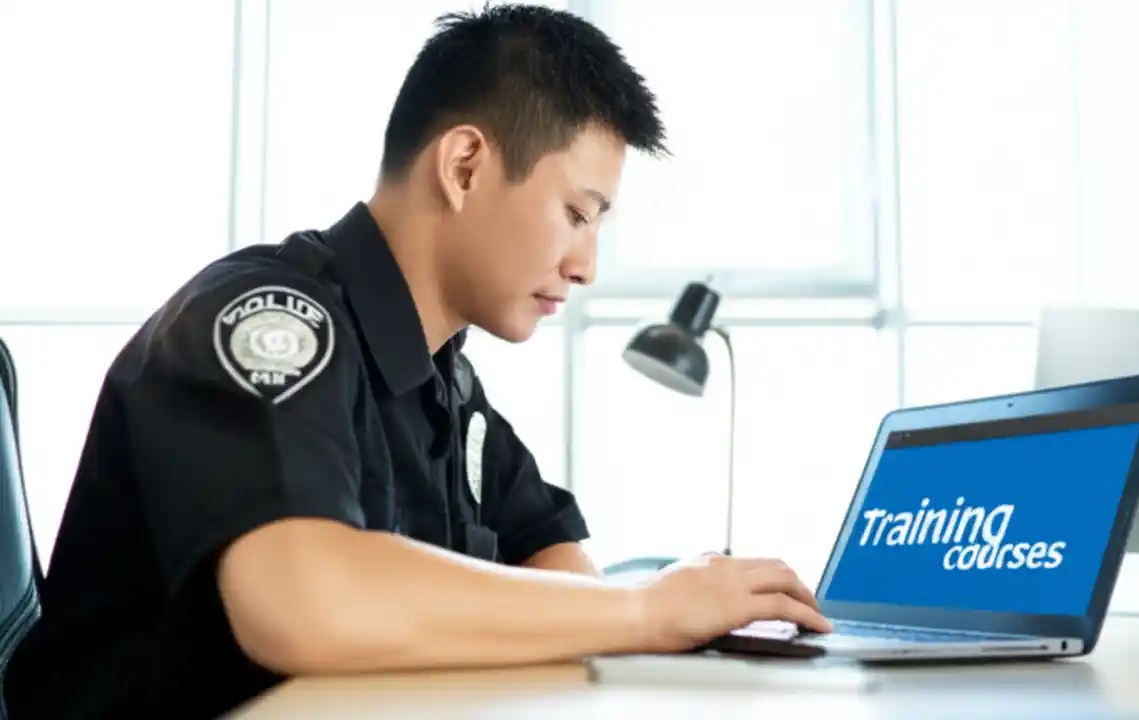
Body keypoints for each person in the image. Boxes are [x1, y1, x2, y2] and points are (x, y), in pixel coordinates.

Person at [3, 5, 831, 718]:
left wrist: (642, 613)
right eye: (577, 214)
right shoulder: (266, 319)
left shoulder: (448, 386)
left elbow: (555, 560)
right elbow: (304, 603)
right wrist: (647, 610)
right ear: (465, 164)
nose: (587, 266)